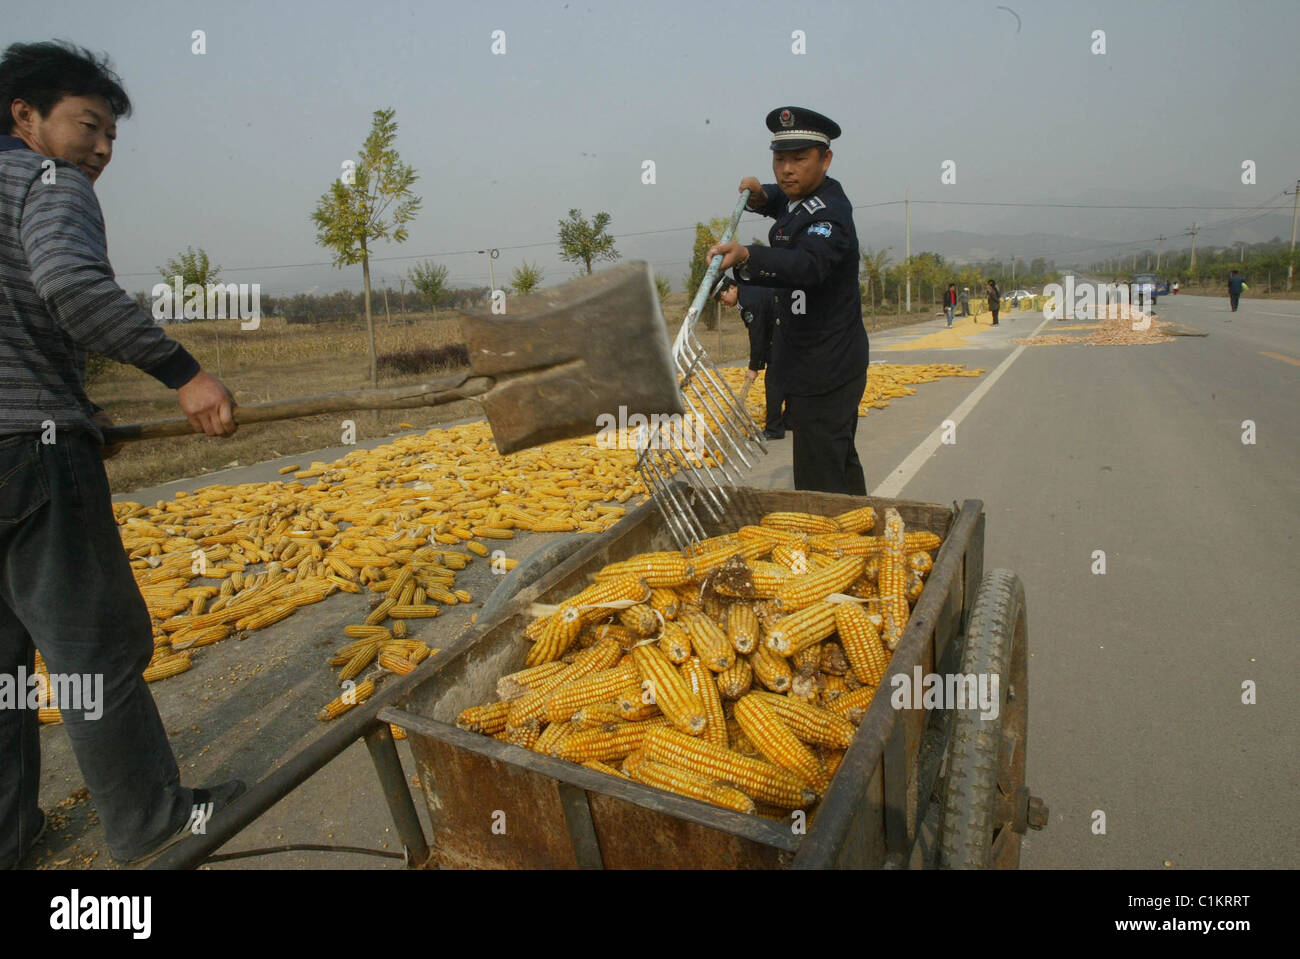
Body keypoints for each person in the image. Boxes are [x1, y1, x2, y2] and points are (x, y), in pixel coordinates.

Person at [0, 41, 246, 869]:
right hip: (30, 459)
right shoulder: (46, 182)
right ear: (24, 117)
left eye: (111, 137)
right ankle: (150, 820)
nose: (102, 150)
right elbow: (69, 286)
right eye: (89, 125)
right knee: (90, 647)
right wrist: (184, 372)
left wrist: (72, 404)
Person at [705, 106, 867, 495]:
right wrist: (761, 197)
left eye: (799, 159)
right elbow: (785, 201)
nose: (786, 170)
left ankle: (829, 545)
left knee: (818, 476)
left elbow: (808, 264)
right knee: (836, 457)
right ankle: (861, 524)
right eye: (780, 159)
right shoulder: (806, 197)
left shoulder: (831, 214)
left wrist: (748, 256)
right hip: (813, 361)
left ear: (825, 160)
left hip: (826, 366)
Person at [714, 277, 786, 439]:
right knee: (785, 378)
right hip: (782, 332)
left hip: (783, 334)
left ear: (732, 288)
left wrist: (754, 367)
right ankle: (791, 420)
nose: (723, 302)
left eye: (722, 297)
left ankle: (774, 429)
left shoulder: (748, 301)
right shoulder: (749, 291)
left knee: (773, 381)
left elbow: (757, 335)